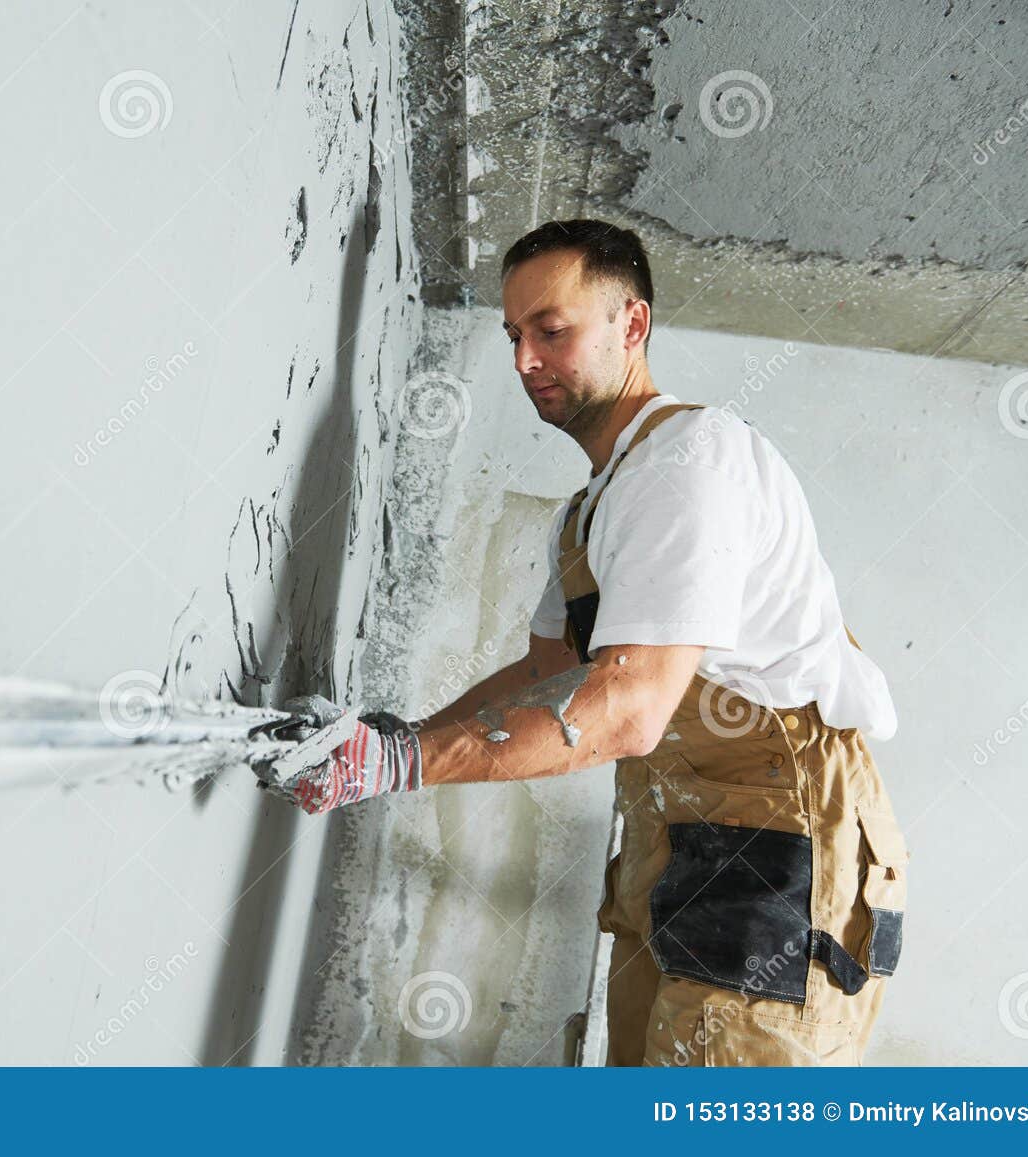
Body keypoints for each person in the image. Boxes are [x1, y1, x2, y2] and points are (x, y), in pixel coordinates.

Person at [256, 219, 909, 1067]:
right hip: (688, 836)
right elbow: (546, 671)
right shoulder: (597, 506)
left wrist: (400, 767)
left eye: (551, 331)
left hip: (783, 849)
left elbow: (629, 712)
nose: (526, 359)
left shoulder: (690, 467)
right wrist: (389, 742)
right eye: (514, 336)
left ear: (631, 325)